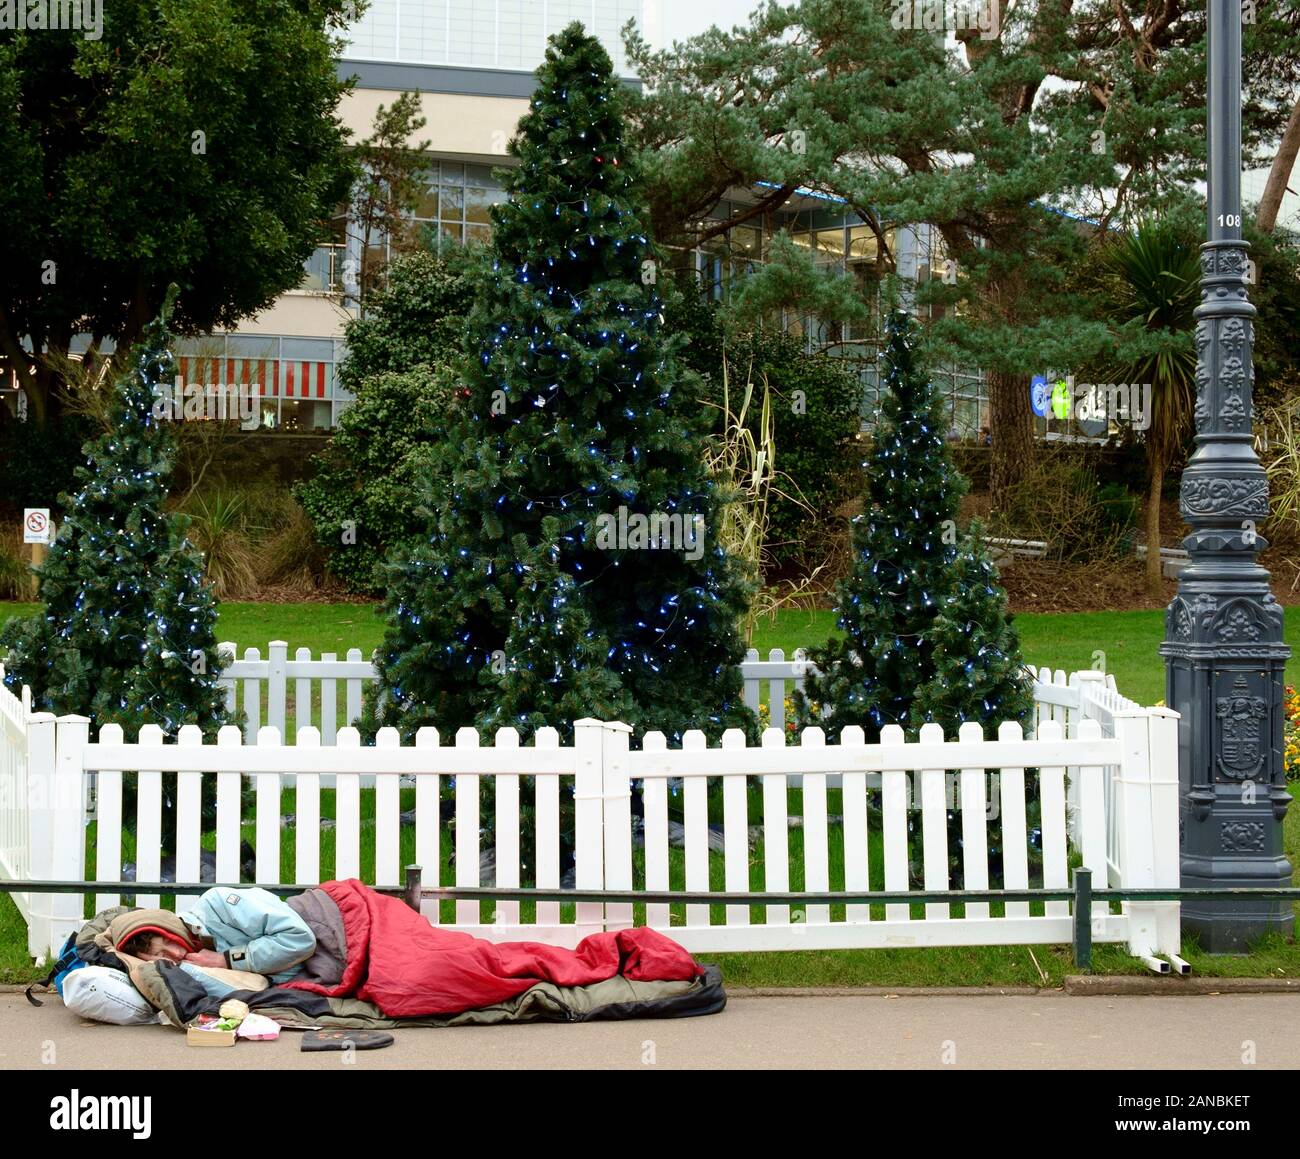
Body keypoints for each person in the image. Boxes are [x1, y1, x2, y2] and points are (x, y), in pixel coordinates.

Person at [119, 886, 316, 986]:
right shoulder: (193, 969)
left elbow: (299, 938)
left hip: (327, 922)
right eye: (163, 955)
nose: (176, 953)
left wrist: (226, 960)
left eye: (169, 940)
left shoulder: (217, 904)